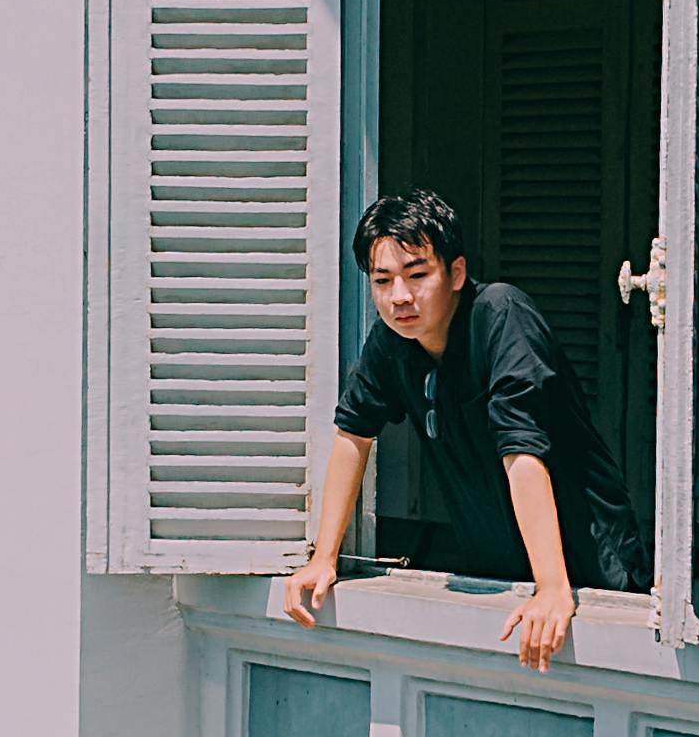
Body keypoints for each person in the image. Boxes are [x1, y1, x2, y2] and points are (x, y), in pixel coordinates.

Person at [278, 190, 648, 670]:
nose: (399, 297)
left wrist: (553, 586)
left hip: (590, 571)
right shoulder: (392, 342)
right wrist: (324, 557)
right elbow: (352, 434)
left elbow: (522, 452)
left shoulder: (499, 314)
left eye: (416, 275)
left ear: (454, 272)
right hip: (499, 576)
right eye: (382, 280)